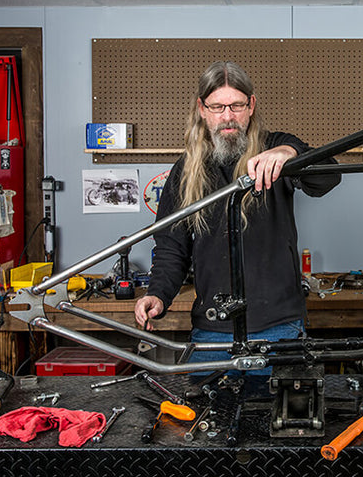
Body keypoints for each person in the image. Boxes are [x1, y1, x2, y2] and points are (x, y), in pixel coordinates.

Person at [134, 61, 340, 368]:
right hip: (212, 330)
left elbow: (328, 178)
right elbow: (171, 247)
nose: (227, 116)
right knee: (208, 400)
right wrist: (158, 295)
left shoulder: (276, 149)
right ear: (202, 109)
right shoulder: (186, 170)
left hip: (278, 327)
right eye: (217, 107)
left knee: (278, 401)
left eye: (237, 105)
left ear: (251, 105)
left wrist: (291, 153)